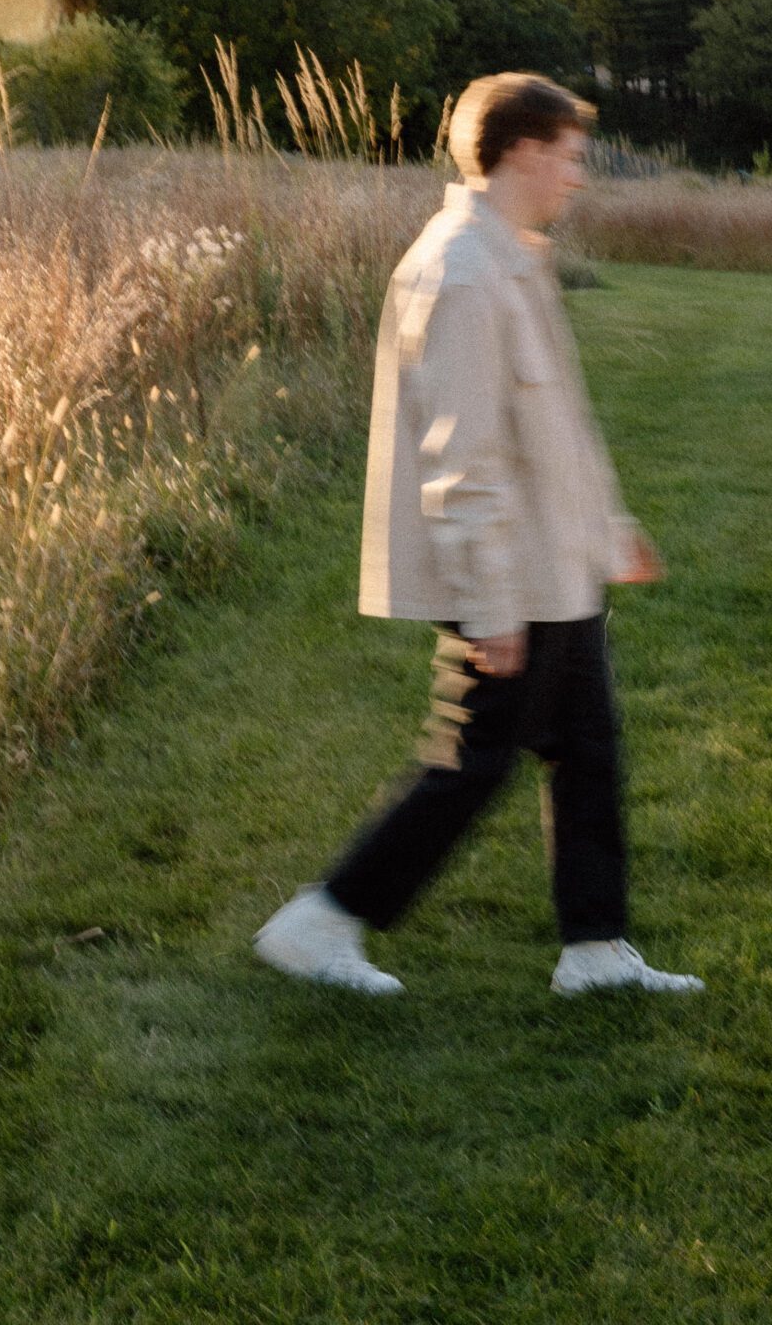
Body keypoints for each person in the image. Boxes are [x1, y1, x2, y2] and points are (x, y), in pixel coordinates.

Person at [255, 72, 702, 1000]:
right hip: (512, 581)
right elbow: (464, 459)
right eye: (571, 158)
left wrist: (609, 528)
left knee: (587, 748)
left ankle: (594, 950)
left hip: (556, 569)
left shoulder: (511, 255)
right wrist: (490, 603)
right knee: (472, 759)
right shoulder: (458, 270)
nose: (579, 177)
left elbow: (556, 426)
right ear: (525, 152)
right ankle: (321, 921)